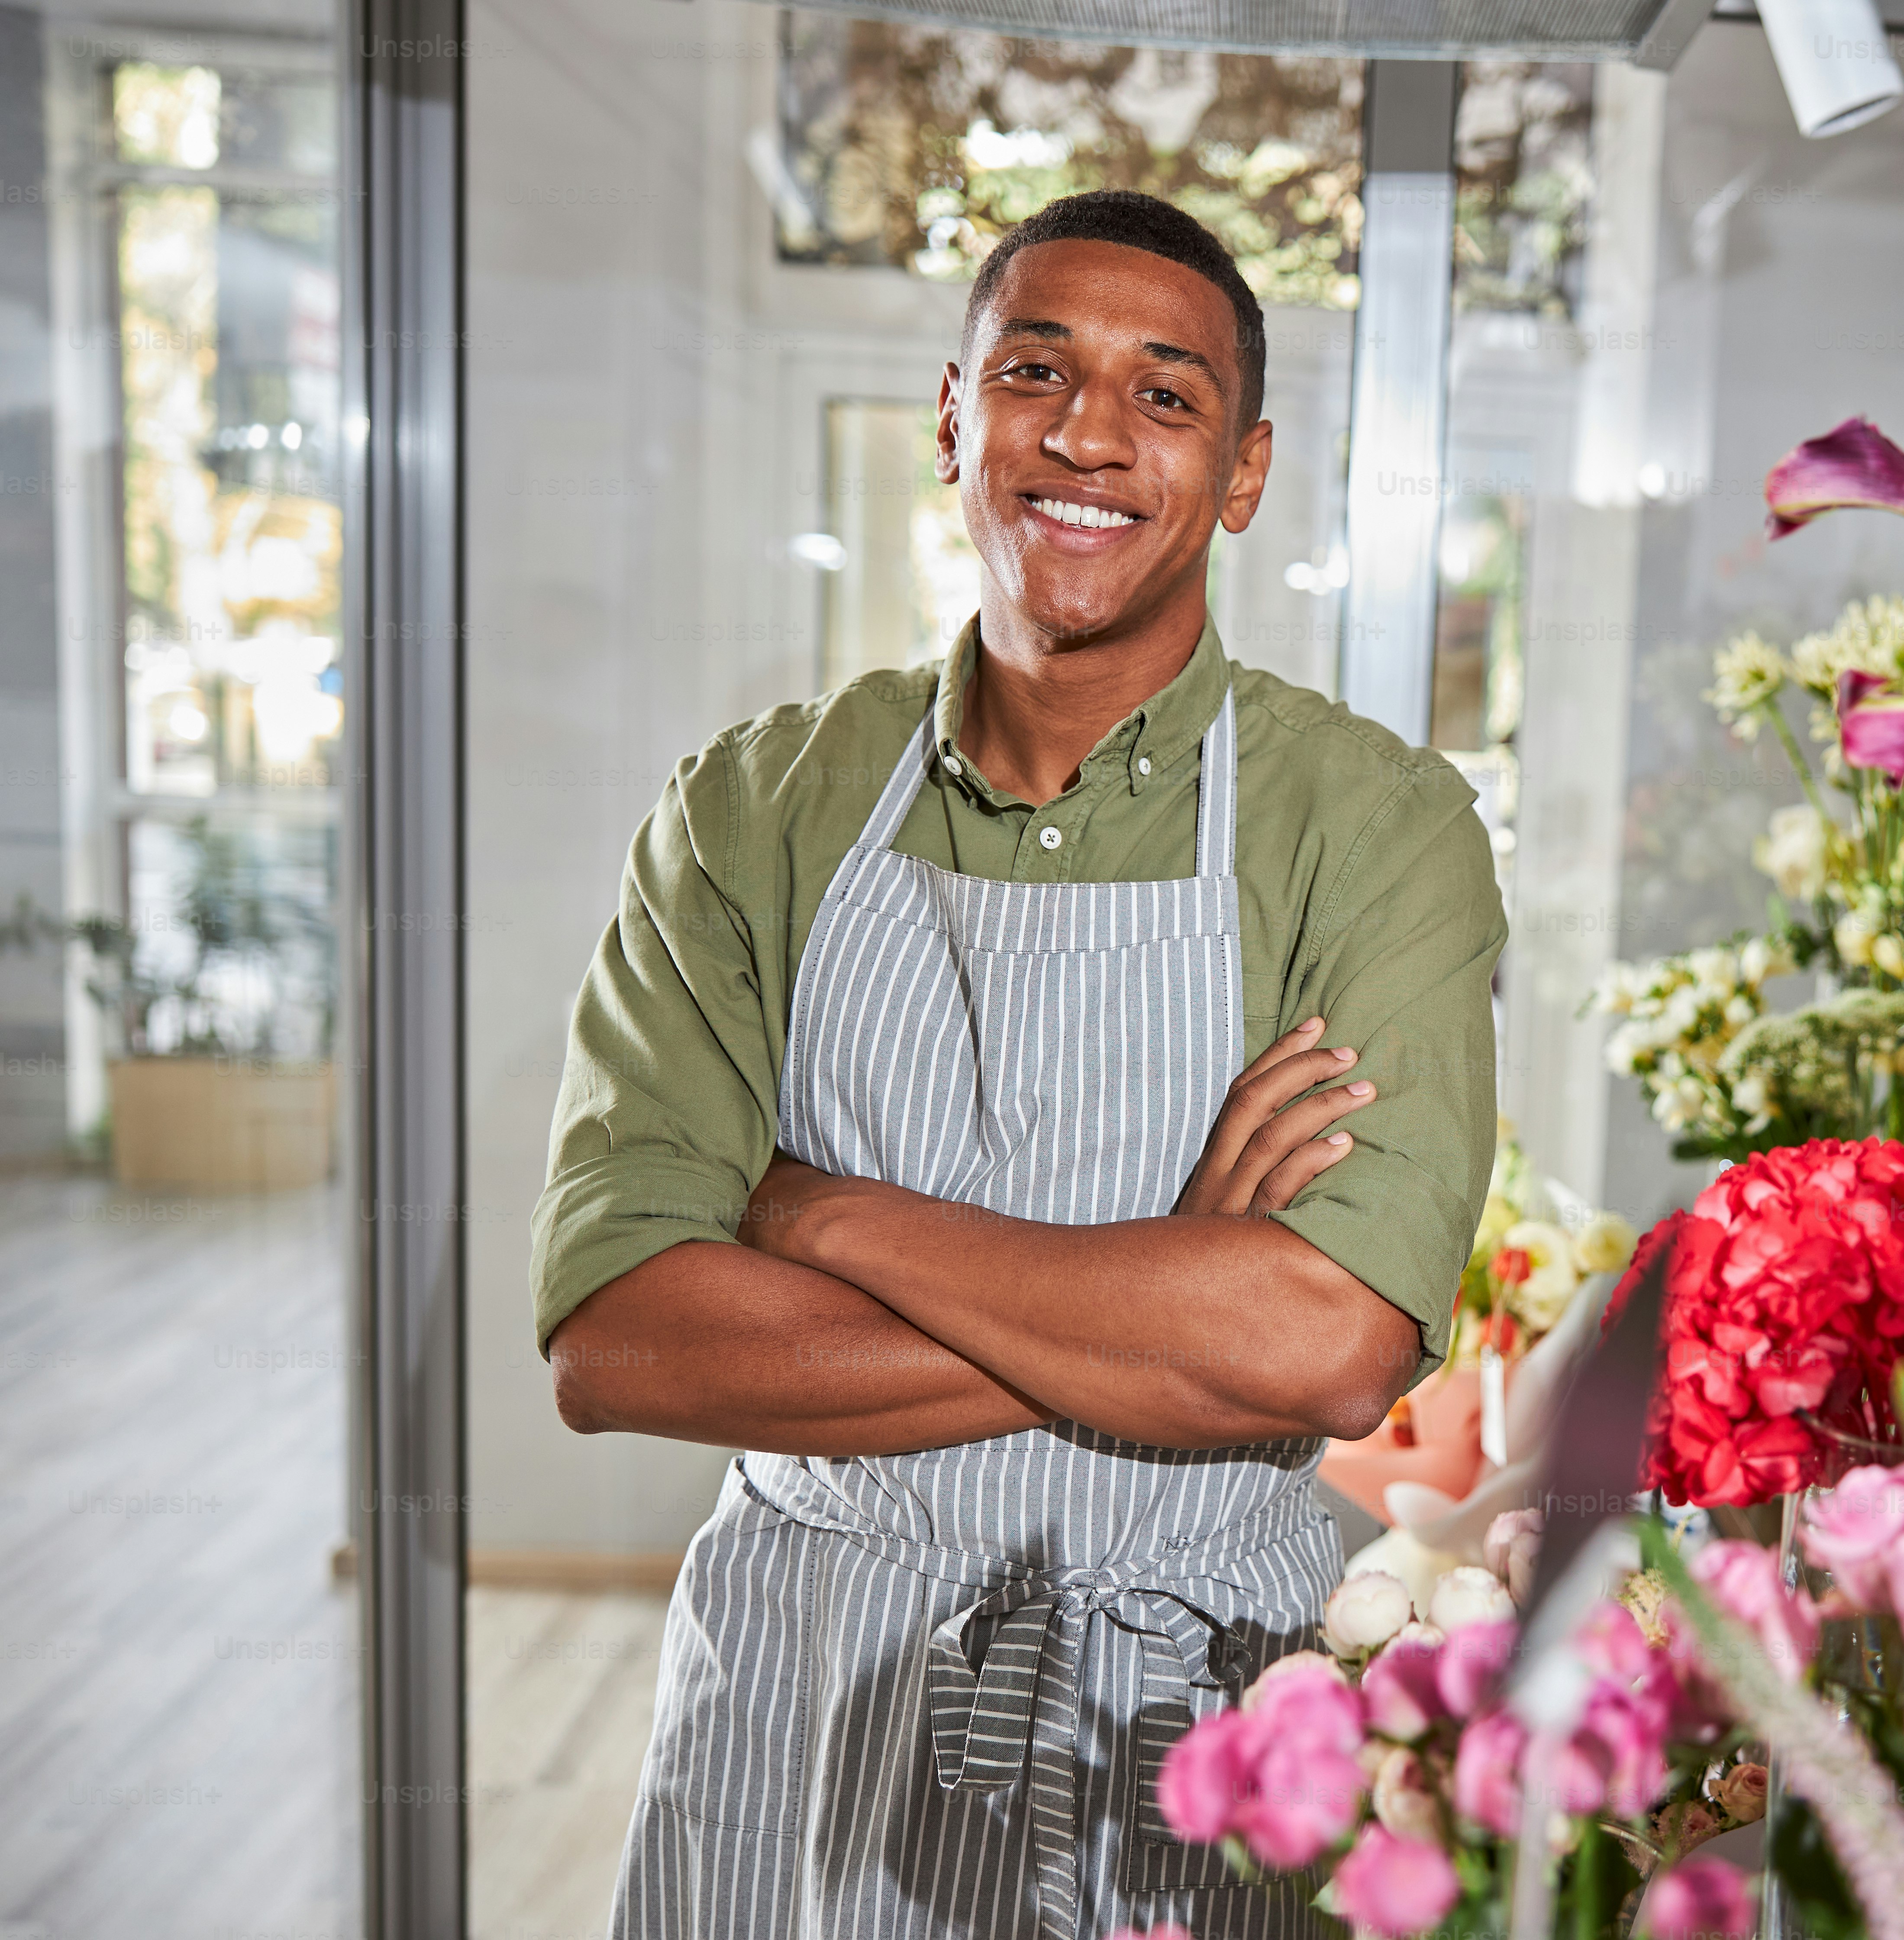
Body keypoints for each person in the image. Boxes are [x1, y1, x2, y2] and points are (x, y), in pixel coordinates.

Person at [529, 188, 1503, 1939]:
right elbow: (618, 1340)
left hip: (1200, 1705)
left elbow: (1325, 1346)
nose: (1088, 433)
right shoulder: (752, 807)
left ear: (1247, 467)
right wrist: (1158, 1290)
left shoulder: (1374, 823)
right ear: (953, 418)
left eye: (1168, 393)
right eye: (1038, 369)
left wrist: (823, 1218)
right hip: (809, 1680)